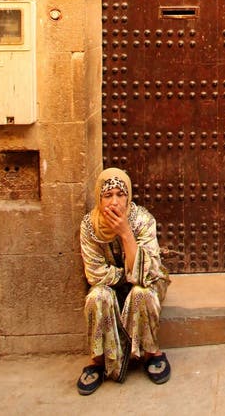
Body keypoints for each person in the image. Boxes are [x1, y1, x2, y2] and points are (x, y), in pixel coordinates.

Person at [76, 166, 172, 395]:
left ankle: (151, 352)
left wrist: (126, 233)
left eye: (120, 195)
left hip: (146, 283)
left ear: (128, 197)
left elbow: (149, 273)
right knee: (97, 296)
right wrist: (127, 275)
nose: (114, 202)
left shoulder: (142, 220)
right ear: (99, 198)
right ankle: (98, 360)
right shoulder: (89, 226)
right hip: (109, 286)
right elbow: (95, 274)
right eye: (108, 195)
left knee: (141, 292)